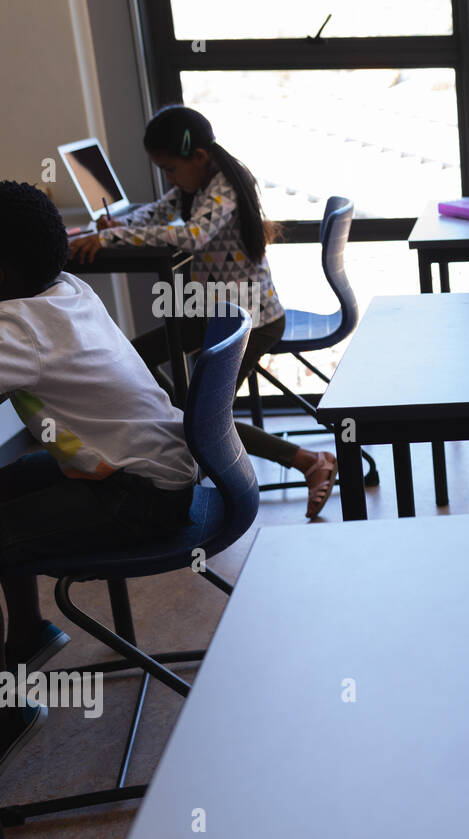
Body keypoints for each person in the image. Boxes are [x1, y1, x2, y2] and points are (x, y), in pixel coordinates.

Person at [0, 181, 198, 775]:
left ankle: (8, 712)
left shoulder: (17, 328)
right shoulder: (66, 291)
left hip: (132, 497)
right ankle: (30, 634)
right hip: (151, 473)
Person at [69, 105, 337, 518]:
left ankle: (309, 461)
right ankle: (184, 418)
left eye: (171, 169)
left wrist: (114, 238)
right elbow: (158, 212)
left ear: (197, 157)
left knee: (206, 422)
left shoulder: (225, 186)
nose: (170, 179)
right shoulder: (198, 183)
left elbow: (193, 236)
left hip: (250, 321)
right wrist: (108, 229)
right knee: (135, 361)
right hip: (211, 313)